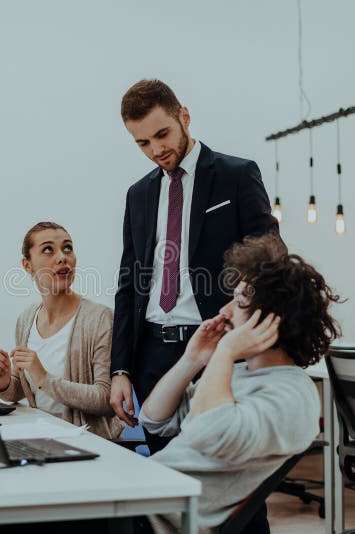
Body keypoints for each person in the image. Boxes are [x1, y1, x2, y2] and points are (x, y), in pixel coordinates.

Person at [110, 79, 281, 454]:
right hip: (152, 355)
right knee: (162, 473)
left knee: (226, 466)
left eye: (162, 134)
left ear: (184, 117)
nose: (156, 149)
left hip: (217, 345)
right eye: (142, 143)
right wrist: (119, 370)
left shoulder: (236, 175)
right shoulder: (138, 195)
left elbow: (271, 259)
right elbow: (128, 285)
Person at [137, 234, 341, 533]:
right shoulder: (237, 373)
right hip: (140, 496)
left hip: (153, 519)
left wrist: (226, 350)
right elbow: (154, 420)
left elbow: (208, 432)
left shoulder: (294, 394)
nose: (225, 311)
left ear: (271, 318)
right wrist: (191, 360)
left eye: (240, 301)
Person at [0, 222, 123, 440]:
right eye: (48, 249)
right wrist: (3, 382)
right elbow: (25, 390)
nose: (62, 257)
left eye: (67, 248)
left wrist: (44, 378)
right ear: (27, 265)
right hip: (40, 436)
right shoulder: (27, 319)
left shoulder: (99, 319)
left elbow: (106, 399)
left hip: (88, 443)